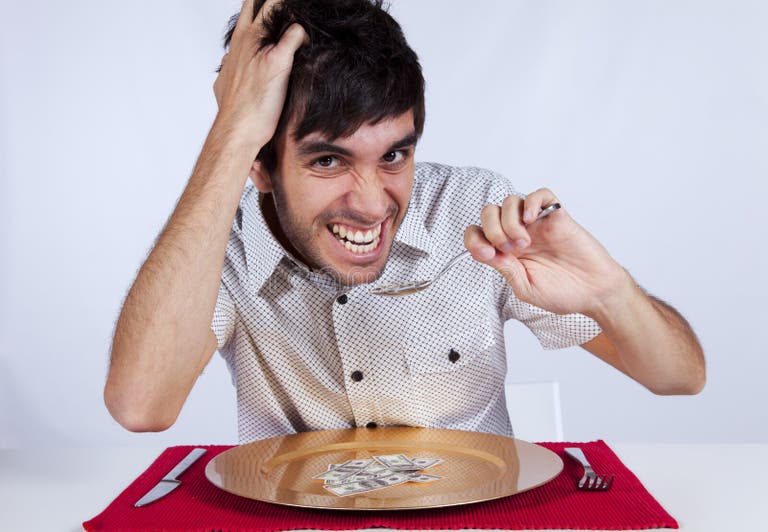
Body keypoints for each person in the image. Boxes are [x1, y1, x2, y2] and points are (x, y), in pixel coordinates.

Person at [104, 0, 705, 442]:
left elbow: (681, 379)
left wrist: (610, 293)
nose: (370, 204)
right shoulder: (225, 243)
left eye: (394, 154)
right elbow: (141, 406)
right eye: (327, 159)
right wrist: (230, 134)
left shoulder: (478, 215)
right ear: (260, 165)